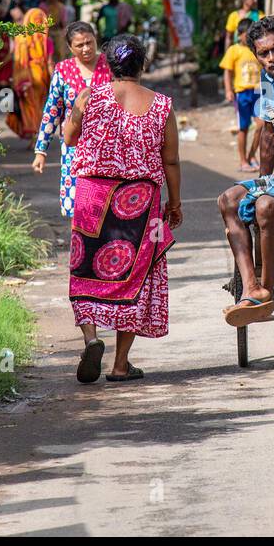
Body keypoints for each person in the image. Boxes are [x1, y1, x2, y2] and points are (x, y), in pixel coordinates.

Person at [62, 35, 182, 384]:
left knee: (85, 271)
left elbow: (69, 137)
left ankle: (91, 338)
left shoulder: (89, 96)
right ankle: (119, 364)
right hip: (139, 202)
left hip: (92, 197)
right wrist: (174, 202)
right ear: (142, 65)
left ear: (108, 65)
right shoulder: (162, 105)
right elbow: (170, 159)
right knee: (137, 278)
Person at [216, 16, 274, 327]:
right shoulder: (268, 78)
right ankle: (251, 285)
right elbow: (268, 135)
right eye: (264, 53)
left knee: (266, 205)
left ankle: (264, 292)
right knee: (228, 200)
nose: (272, 58)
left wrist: (265, 192)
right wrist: (263, 180)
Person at [33, 22, 111, 217]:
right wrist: (41, 151)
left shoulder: (111, 67)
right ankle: (81, 245)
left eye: (89, 42)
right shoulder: (63, 70)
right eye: (80, 45)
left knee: (105, 206)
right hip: (73, 150)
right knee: (77, 205)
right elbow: (52, 111)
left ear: (95, 40)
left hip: (108, 148)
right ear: (70, 48)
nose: (86, 49)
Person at [219, 17, 262, 172]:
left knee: (262, 125)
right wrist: (228, 90)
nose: (249, 37)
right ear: (240, 34)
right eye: (247, 34)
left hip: (258, 92)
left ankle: (252, 155)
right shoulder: (234, 50)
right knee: (243, 128)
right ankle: (243, 161)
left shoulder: (257, 48)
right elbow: (227, 72)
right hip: (242, 93)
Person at [6, 7, 53, 145]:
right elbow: (49, 62)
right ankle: (38, 134)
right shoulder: (47, 41)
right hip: (41, 76)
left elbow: (17, 59)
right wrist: (54, 80)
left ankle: (33, 134)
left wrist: (15, 77)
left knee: (29, 106)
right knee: (39, 106)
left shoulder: (21, 38)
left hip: (26, 76)